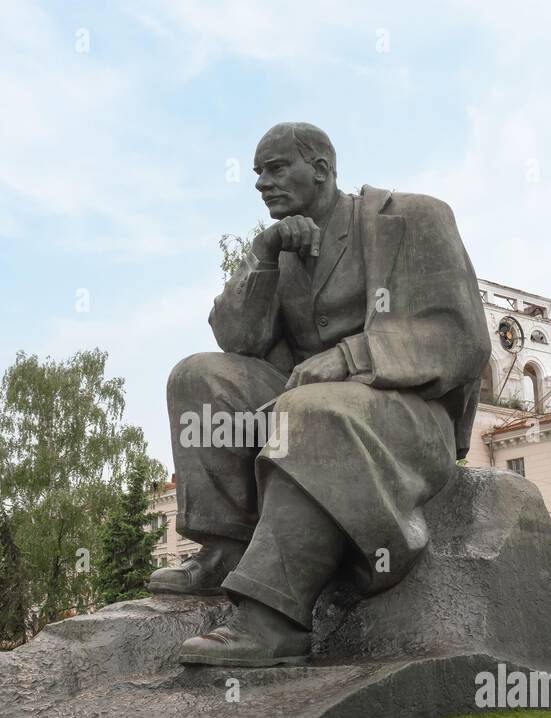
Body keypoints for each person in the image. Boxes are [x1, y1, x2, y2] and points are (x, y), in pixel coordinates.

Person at [149, 122, 489, 666]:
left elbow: (460, 336)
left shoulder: (414, 218)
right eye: (258, 172)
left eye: (276, 168)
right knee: (197, 376)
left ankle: (274, 619)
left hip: (407, 415)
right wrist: (261, 257)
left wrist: (352, 357)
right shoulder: (283, 247)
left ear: (323, 169)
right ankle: (228, 550)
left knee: (309, 410)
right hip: (307, 402)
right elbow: (240, 341)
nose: (261, 182)